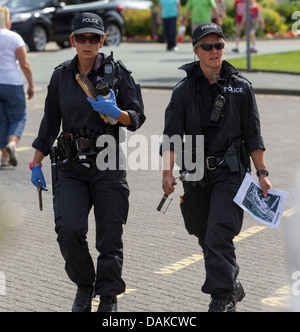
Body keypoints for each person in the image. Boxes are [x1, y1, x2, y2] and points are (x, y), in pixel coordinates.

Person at [30, 12, 145, 312]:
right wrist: (35, 163)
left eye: (94, 38)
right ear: (72, 40)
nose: (88, 43)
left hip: (107, 163)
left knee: (109, 235)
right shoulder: (60, 76)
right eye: (81, 37)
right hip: (70, 165)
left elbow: (136, 117)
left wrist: (116, 111)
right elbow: (49, 123)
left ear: (102, 40)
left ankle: (108, 296)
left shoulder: (118, 74)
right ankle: (85, 284)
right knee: (68, 229)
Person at [161, 23, 272, 312]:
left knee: (218, 233)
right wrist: (166, 173)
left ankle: (221, 298)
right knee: (202, 232)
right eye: (207, 46)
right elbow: (171, 136)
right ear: (196, 50)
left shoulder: (241, 88)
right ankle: (232, 283)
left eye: (219, 45)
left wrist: (262, 174)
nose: (214, 51)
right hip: (195, 172)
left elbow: (253, 135)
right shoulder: (183, 91)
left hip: (231, 172)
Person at [0, 6, 34, 167]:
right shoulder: (14, 37)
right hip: (12, 82)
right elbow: (25, 64)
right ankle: (12, 144)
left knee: (1, 119)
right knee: (18, 116)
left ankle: (5, 157)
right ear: (7, 21)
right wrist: (31, 85)